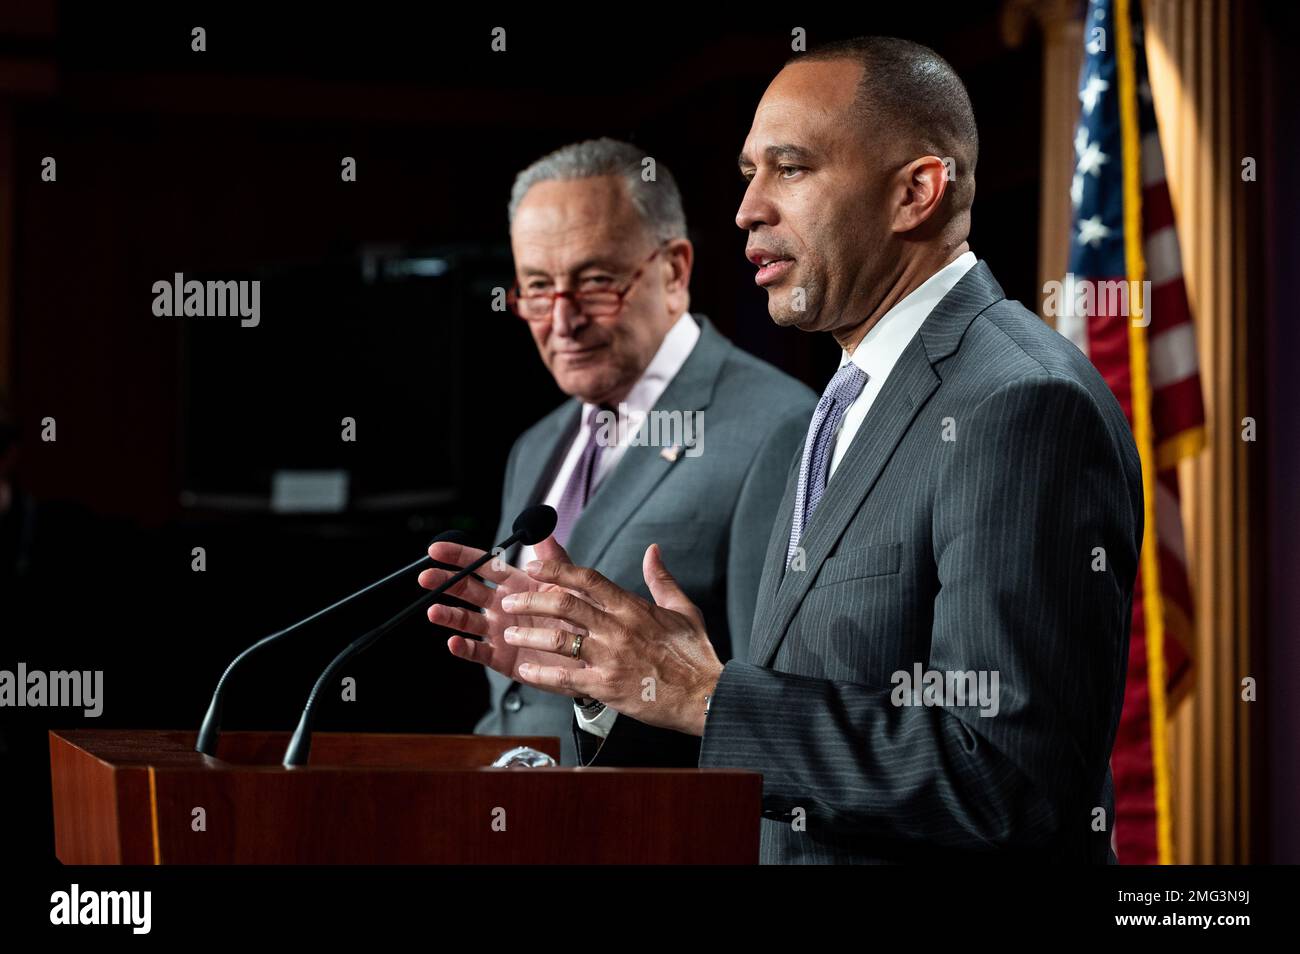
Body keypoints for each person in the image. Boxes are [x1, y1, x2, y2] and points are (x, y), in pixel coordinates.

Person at [425, 37, 1144, 864]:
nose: (748, 210)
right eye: (748, 174)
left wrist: (709, 692)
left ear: (916, 191)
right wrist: (637, 682)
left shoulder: (1021, 403)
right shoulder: (850, 398)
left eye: (791, 169)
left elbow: (1010, 779)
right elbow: (789, 740)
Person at [426, 138, 815, 766]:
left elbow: (775, 711)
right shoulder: (536, 444)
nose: (562, 320)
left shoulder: (777, 429)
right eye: (537, 287)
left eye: (595, 283)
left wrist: (602, 693)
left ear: (675, 270)